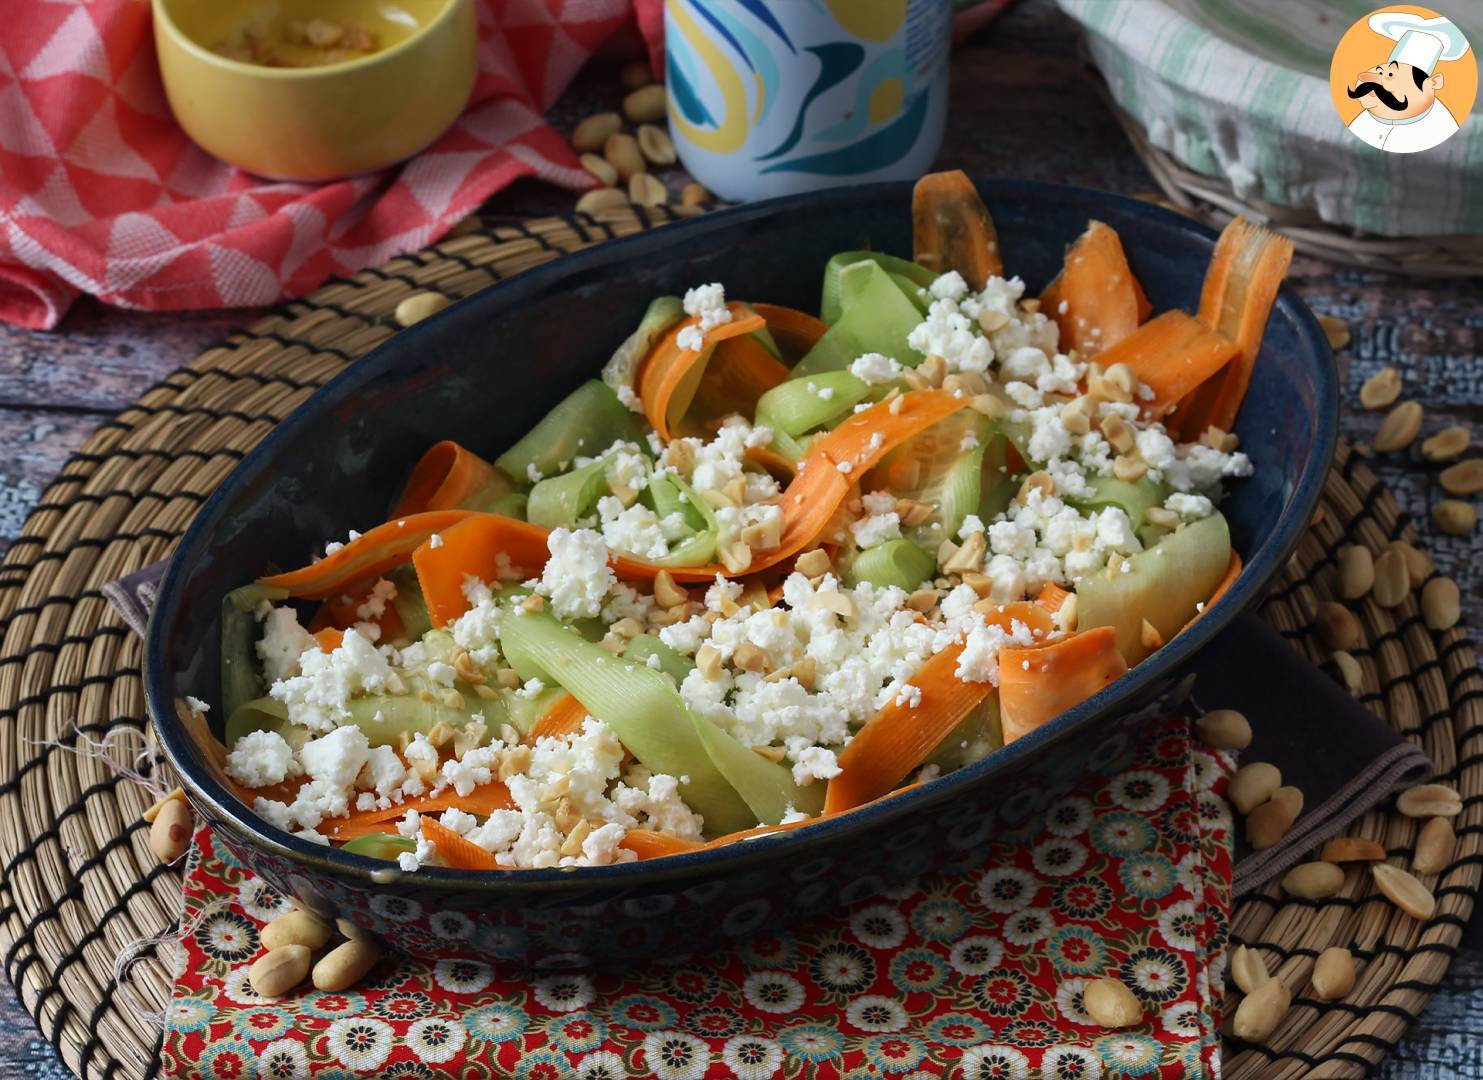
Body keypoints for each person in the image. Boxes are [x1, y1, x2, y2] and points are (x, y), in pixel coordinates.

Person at [1346, 12, 1471, 154]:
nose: (1371, 80)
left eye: (1391, 75)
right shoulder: (1365, 118)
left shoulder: (1440, 129)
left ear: (1433, 83)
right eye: (1379, 71)